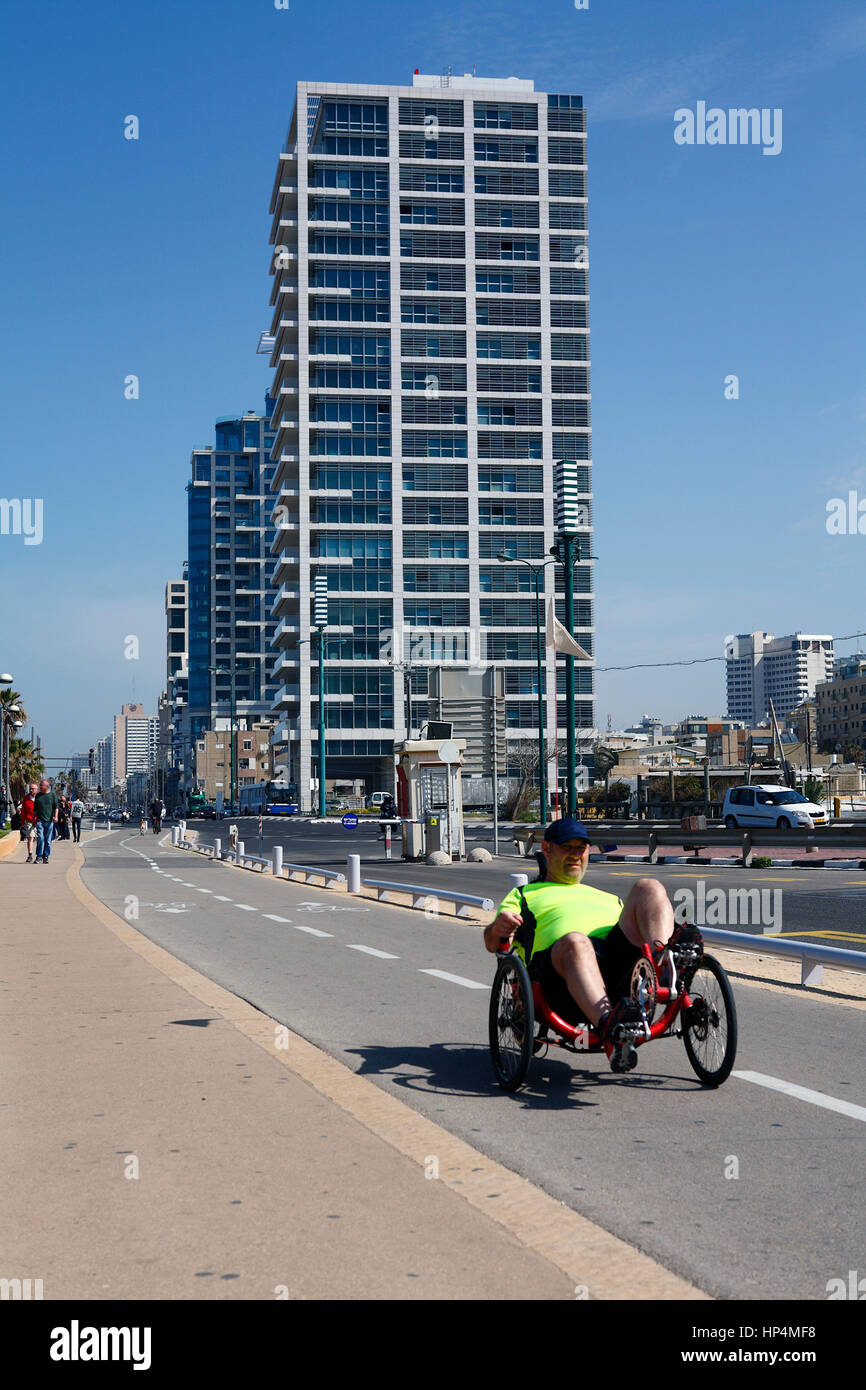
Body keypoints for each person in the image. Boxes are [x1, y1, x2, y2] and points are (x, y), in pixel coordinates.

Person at [484, 817, 676, 1074]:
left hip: (617, 972)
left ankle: (664, 965)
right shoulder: (525, 894)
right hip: (559, 977)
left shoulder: (608, 898)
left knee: (648, 887)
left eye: (581, 848)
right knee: (578, 941)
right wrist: (498, 928)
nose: (576, 855)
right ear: (547, 850)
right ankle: (611, 1029)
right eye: (567, 848)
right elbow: (492, 943)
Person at [33, 779, 60, 864]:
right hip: (39, 820)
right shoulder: (38, 795)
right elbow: (35, 809)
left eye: (41, 785)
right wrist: (33, 819)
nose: (40, 787)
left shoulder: (52, 795)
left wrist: (56, 816)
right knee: (40, 838)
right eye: (40, 785)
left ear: (47, 786)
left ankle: (46, 856)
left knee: (48, 840)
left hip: (49, 821)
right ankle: (39, 856)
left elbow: (56, 807)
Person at [20, 782, 38, 862]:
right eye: (30, 788)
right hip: (29, 821)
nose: (31, 790)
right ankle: (30, 855)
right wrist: (22, 822)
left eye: (33, 789)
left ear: (36, 790)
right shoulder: (26, 798)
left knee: (39, 839)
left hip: (39, 821)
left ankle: (39, 856)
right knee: (30, 838)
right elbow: (23, 811)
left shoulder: (40, 798)